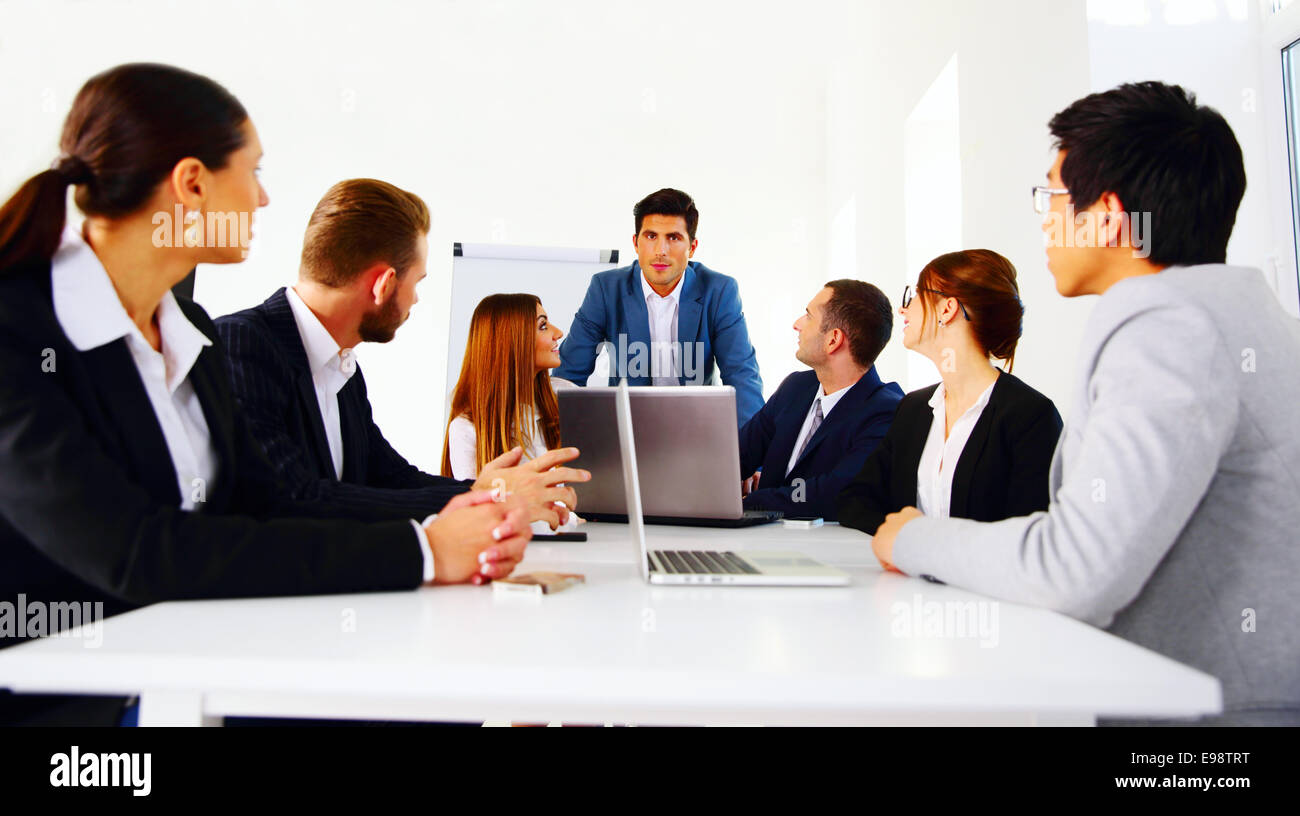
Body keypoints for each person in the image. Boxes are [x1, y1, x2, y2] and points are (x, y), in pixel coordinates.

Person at [0, 64, 529, 723]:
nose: (264, 200)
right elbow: (138, 552)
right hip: (70, 707)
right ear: (191, 183)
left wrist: (451, 529)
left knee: (437, 702)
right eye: (253, 172)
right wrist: (423, 551)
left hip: (191, 667)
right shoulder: (18, 333)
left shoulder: (185, 327)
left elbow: (270, 500)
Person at [870, 82, 1300, 725]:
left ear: (1107, 214)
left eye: (1053, 196)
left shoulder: (1171, 329)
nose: (1045, 218)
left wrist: (912, 539)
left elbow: (1075, 568)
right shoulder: (1226, 313)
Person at [216, 179, 585, 530]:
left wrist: (484, 491)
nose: (416, 300)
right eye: (417, 283)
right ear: (384, 284)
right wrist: (485, 500)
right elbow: (291, 497)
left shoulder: (342, 368)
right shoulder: (242, 344)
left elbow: (389, 477)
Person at [837, 250, 1061, 534]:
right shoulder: (913, 409)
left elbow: (1032, 536)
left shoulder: (1030, 416)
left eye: (915, 295)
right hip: (906, 577)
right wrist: (910, 542)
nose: (903, 309)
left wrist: (922, 541)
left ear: (947, 309)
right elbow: (855, 500)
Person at [550, 188, 764, 425]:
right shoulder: (606, 289)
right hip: (629, 426)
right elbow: (569, 375)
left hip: (697, 426)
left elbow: (742, 376)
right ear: (636, 243)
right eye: (651, 236)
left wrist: (753, 455)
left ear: (692, 247)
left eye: (673, 237)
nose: (660, 251)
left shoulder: (719, 290)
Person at [736, 280, 903, 520]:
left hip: (827, 551)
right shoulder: (795, 388)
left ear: (833, 339)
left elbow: (828, 494)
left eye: (808, 316)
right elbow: (738, 456)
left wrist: (751, 502)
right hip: (758, 542)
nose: (797, 325)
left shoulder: (886, 412)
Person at [442, 293, 581, 533]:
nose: (558, 333)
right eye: (543, 326)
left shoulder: (568, 398)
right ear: (512, 341)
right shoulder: (466, 429)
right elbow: (478, 516)